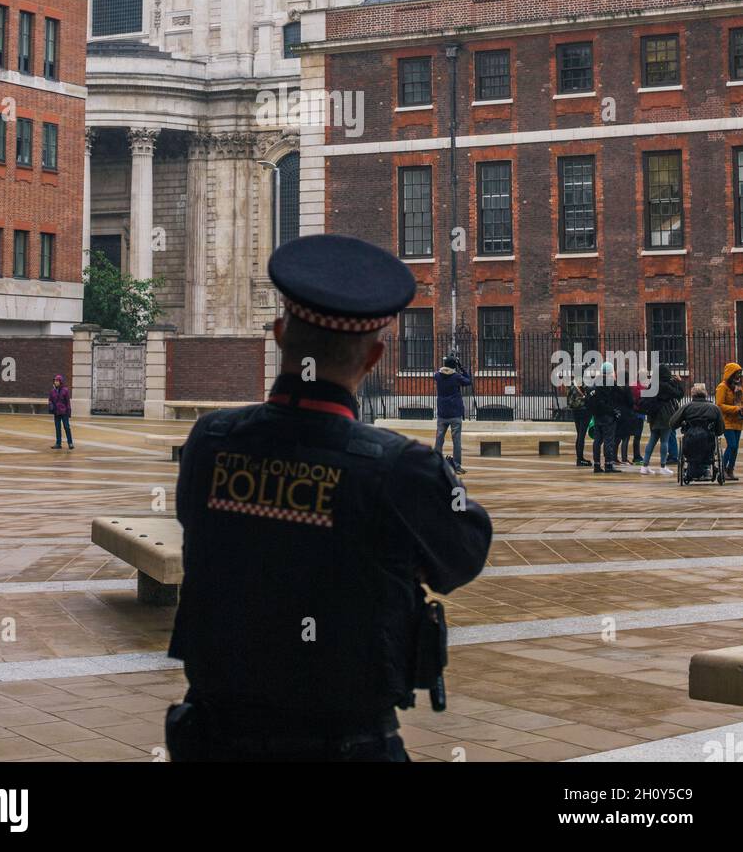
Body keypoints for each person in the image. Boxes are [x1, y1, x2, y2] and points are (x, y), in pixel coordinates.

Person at [166, 234, 492, 763]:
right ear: (375, 356)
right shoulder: (399, 468)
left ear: (277, 335)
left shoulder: (210, 442)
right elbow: (462, 558)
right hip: (345, 743)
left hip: (216, 738)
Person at [670, 388, 725, 481]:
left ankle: (693, 471)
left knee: (692, 449)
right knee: (707, 448)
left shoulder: (687, 407)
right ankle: (704, 469)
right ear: (705, 395)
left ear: (692, 395)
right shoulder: (714, 408)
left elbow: (672, 423)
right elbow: (720, 429)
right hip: (708, 441)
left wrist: (682, 424)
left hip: (690, 440)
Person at [641, 364, 683, 476]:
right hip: (665, 415)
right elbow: (679, 394)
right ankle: (663, 466)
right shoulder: (665, 386)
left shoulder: (652, 385)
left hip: (653, 416)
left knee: (652, 440)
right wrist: (679, 382)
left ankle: (645, 466)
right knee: (664, 441)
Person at [434, 354, 471, 473]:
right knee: (456, 441)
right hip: (455, 413)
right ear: (454, 366)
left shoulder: (437, 376)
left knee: (439, 439)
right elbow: (468, 381)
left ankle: (435, 463)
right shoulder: (456, 377)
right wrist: (462, 368)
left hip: (442, 413)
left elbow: (438, 372)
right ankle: (457, 466)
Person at [586, 362, 620, 474]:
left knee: (597, 441)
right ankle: (608, 464)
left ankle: (596, 465)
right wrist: (614, 412)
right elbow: (614, 400)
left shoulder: (595, 382)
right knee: (608, 441)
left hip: (597, 416)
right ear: (610, 372)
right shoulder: (610, 384)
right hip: (608, 417)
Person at [716, 362, 743, 482]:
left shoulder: (739, 387)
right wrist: (735, 408)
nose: (738, 376)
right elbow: (719, 405)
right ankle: (722, 469)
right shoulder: (722, 387)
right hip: (726, 421)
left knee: (735, 447)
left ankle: (730, 470)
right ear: (730, 374)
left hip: (738, 421)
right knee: (731, 445)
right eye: (736, 373)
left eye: (739, 374)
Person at [566, 375, 591, 467]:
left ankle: (579, 458)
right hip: (584, 410)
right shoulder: (583, 383)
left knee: (579, 434)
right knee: (582, 435)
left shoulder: (570, 384)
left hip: (575, 410)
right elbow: (589, 394)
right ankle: (580, 459)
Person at [49, 374, 74, 450]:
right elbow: (50, 400)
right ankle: (58, 443)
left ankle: (70, 443)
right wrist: (51, 405)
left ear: (60, 381)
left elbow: (68, 402)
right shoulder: (52, 391)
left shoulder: (65, 390)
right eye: (55, 381)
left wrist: (69, 412)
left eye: (57, 381)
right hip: (56, 412)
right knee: (57, 428)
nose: (55, 382)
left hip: (64, 412)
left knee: (66, 427)